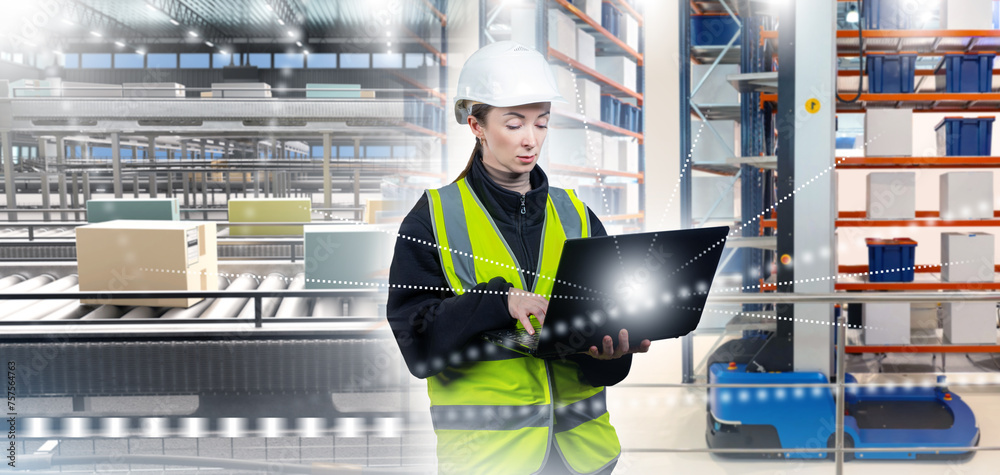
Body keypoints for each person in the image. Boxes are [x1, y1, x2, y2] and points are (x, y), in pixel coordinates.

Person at [387, 41, 650, 475]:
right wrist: (498, 303)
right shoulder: (432, 219)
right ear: (477, 126)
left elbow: (600, 351)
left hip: (581, 458)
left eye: (541, 124)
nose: (531, 139)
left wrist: (611, 355)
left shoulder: (578, 217)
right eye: (514, 124)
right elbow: (417, 346)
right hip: (490, 461)